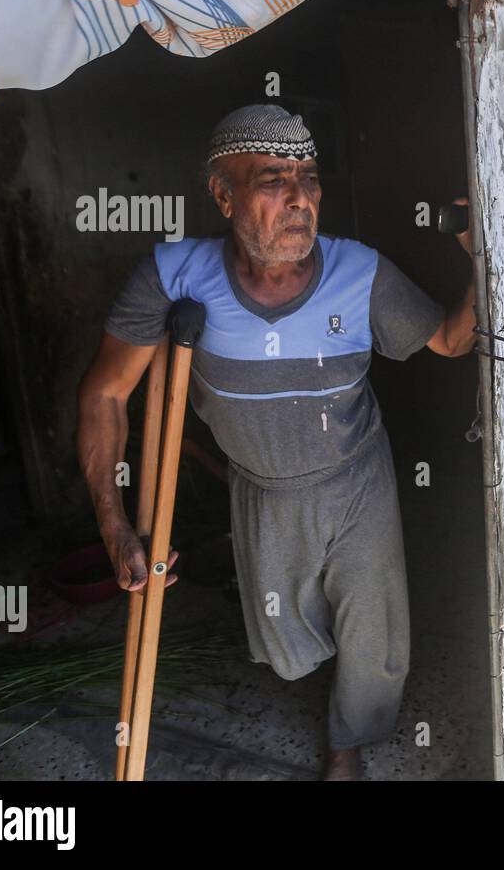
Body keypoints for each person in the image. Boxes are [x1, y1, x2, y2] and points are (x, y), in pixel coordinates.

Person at [76, 104, 477, 779]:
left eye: (311, 178)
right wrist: (115, 525)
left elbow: (450, 339)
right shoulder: (175, 275)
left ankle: (348, 741)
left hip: (356, 477)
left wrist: (482, 254)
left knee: (372, 628)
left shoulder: (360, 273)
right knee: (287, 637)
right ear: (222, 193)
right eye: (272, 179)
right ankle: (325, 692)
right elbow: (106, 394)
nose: (300, 199)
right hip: (261, 487)